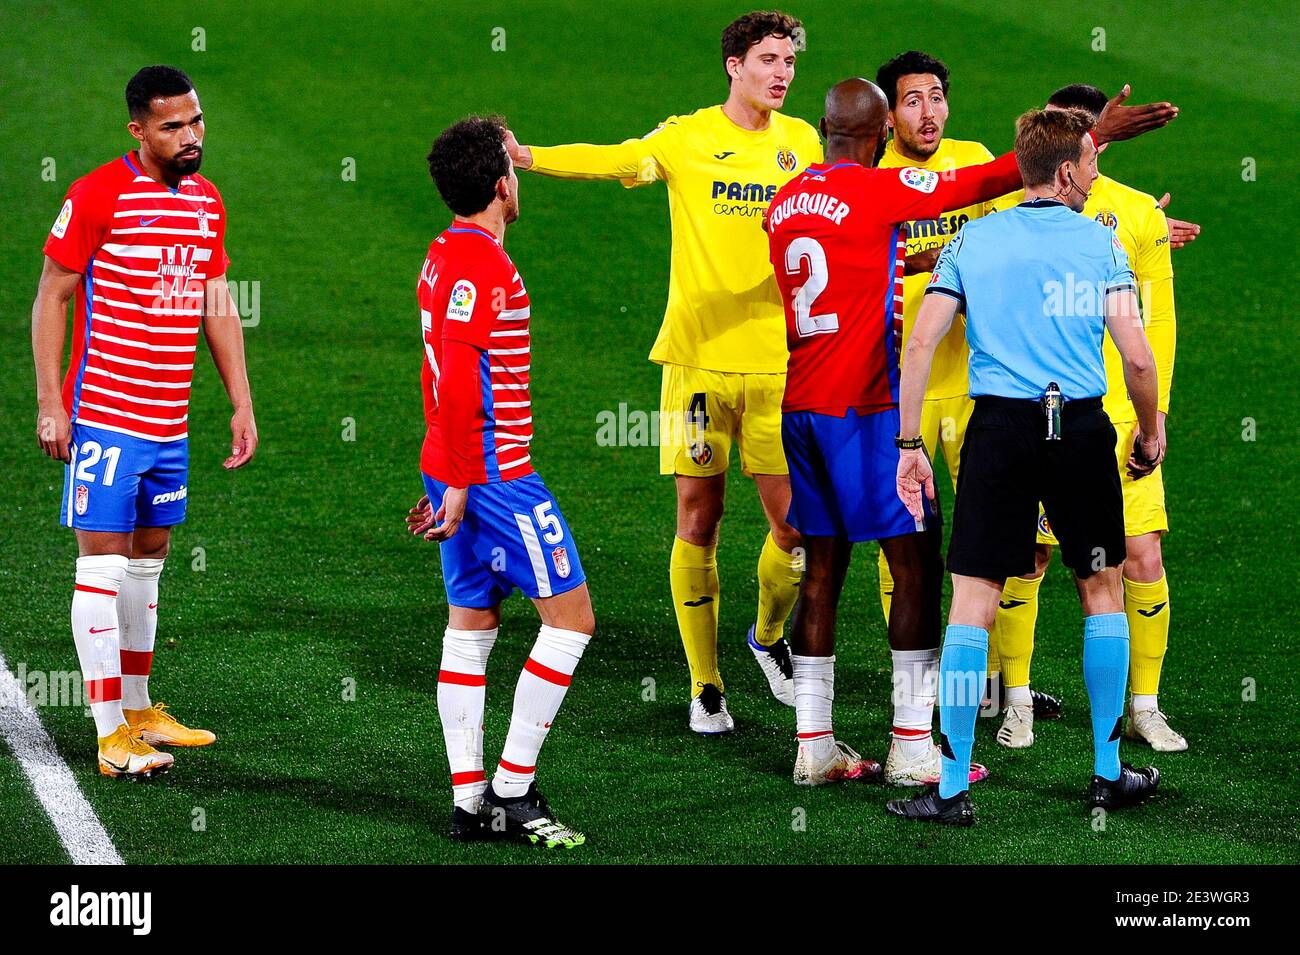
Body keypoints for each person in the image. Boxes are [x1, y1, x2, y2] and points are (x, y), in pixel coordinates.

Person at [504, 11, 822, 732]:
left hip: (780, 365)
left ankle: (767, 638)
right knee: (698, 518)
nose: (783, 74)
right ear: (733, 66)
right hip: (697, 363)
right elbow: (618, 158)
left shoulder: (802, 144)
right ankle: (705, 685)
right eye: (769, 60)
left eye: (790, 63)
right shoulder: (687, 137)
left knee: (795, 527)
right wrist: (527, 155)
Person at [888, 108, 1164, 825]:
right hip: (1076, 428)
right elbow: (1136, 355)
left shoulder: (973, 239)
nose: (1096, 175)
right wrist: (1152, 428)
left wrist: (910, 445)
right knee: (1101, 587)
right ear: (1067, 171)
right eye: (1091, 164)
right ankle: (1106, 774)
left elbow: (920, 346)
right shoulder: (1100, 245)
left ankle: (951, 787)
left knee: (973, 595)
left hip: (1000, 430)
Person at [767, 77, 1029, 786]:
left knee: (821, 570)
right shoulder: (878, 190)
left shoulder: (784, 203)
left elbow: (841, 268)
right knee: (913, 559)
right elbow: (983, 179)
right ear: (882, 135)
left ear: (822, 129)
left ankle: (813, 747)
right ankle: (914, 747)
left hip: (803, 408)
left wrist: (897, 262)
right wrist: (1086, 138)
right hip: (869, 410)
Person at [31, 65, 256, 778]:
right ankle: (108, 736)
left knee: (150, 556)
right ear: (138, 130)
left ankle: (138, 707)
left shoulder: (206, 202)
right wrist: (49, 402)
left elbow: (216, 300)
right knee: (101, 562)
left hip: (169, 420)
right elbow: (50, 297)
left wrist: (240, 398)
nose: (190, 137)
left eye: (196, 121)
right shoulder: (97, 194)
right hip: (105, 415)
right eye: (172, 126)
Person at [407, 116, 594, 848]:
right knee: (570, 620)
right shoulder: (486, 266)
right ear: (501, 186)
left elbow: (443, 379)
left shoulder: (442, 252)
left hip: (455, 459)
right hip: (493, 472)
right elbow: (458, 378)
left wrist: (441, 466)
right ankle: (512, 792)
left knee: (473, 621)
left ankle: (468, 799)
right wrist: (457, 478)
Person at [985, 84, 1186, 752]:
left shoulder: (1134, 215)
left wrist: (1153, 413)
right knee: (1028, 557)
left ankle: (1144, 705)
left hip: (1120, 419)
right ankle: (1015, 698)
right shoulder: (1016, 209)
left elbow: (1157, 323)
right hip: (1045, 415)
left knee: (1141, 556)